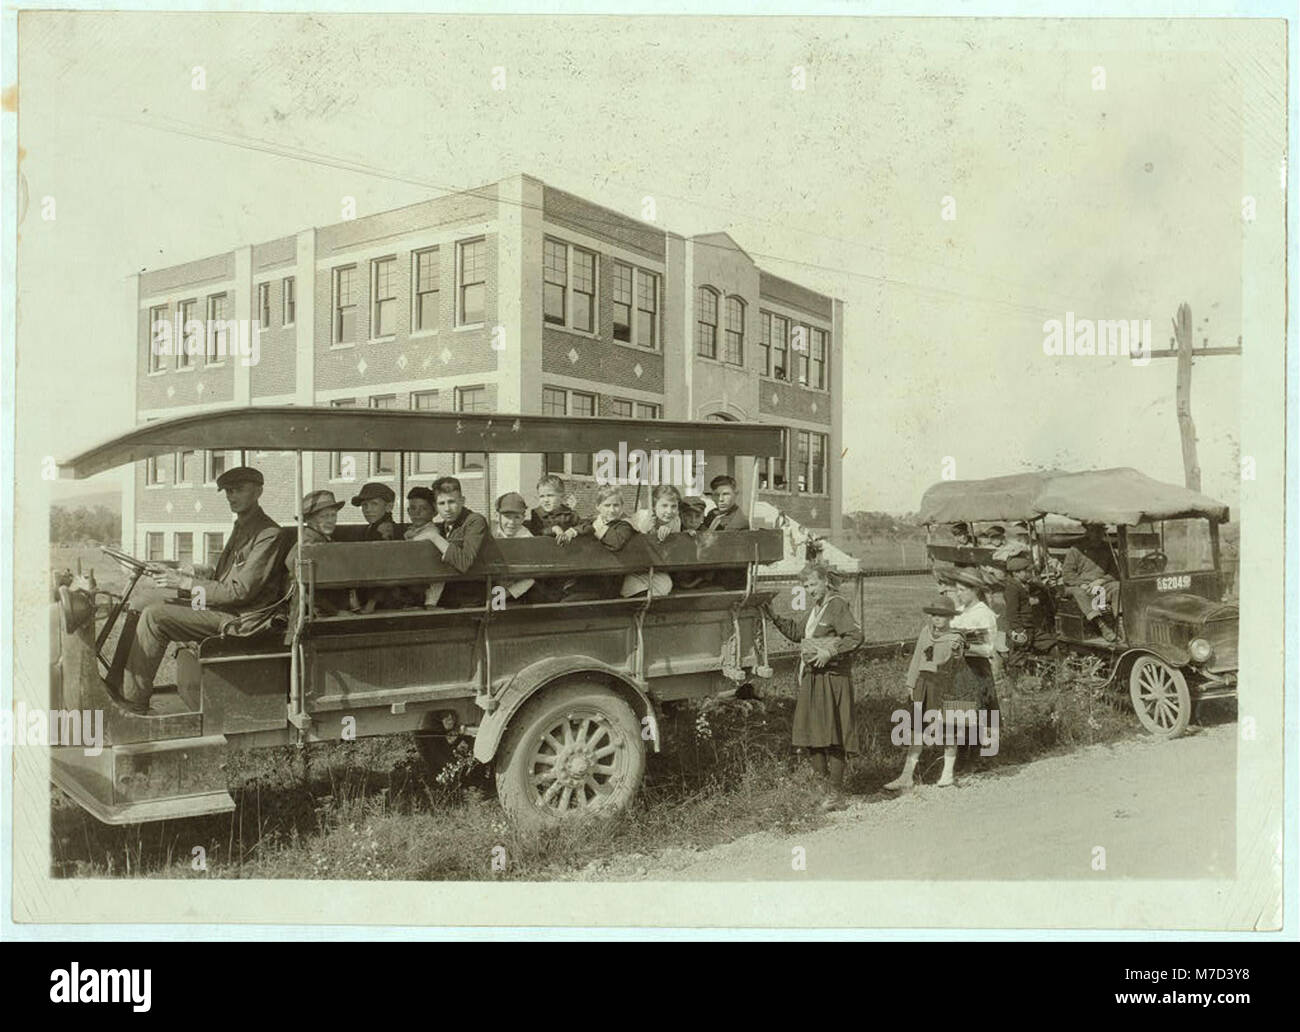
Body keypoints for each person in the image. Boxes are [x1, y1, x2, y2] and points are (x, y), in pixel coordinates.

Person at [121, 466, 282, 712]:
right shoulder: (243, 526)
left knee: (155, 617)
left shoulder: (268, 534)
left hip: (242, 620)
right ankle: (119, 685)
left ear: (258, 491)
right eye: (228, 491)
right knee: (143, 600)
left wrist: (185, 584)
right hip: (222, 606)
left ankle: (134, 706)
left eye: (239, 490)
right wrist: (183, 571)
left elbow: (239, 592)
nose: (231, 496)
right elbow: (221, 576)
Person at [762, 560, 863, 810]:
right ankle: (822, 790)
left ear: (825, 581)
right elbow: (799, 632)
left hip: (832, 678)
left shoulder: (836, 605)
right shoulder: (817, 608)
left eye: (812, 584)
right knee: (812, 734)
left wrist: (830, 652)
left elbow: (855, 636)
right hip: (813, 678)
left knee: (834, 734)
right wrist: (773, 616)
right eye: (806, 586)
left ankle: (836, 793)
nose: (809, 590)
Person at [885, 594, 967, 791]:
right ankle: (907, 776)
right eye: (933, 615)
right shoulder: (925, 632)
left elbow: (959, 662)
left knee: (947, 728)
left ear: (950, 618)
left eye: (941, 615)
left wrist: (957, 651)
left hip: (945, 686)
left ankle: (947, 773)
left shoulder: (956, 638)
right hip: (923, 684)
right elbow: (916, 659)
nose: (936, 619)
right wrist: (911, 683)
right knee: (917, 730)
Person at [946, 567, 1001, 785]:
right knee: (960, 710)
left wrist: (964, 646)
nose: (958, 594)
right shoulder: (960, 611)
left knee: (979, 711)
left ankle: (977, 757)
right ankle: (960, 755)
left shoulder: (983, 614)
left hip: (976, 667)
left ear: (974, 590)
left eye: (962, 590)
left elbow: (987, 648)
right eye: (957, 590)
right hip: (959, 668)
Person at [426, 476, 489, 608]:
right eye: (441, 503)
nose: (447, 508)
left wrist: (434, 537)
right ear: (435, 506)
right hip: (451, 596)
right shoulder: (443, 527)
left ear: (462, 501)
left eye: (452, 502)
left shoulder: (475, 521)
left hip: (477, 598)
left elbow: (464, 562)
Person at [285, 489, 347, 622]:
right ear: (310, 519)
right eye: (324, 516)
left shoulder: (323, 539)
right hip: (313, 614)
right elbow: (303, 583)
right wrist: (335, 612)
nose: (330, 520)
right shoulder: (309, 542)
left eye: (333, 515)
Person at [573, 485, 640, 597]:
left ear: (622, 507)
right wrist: (573, 531)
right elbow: (583, 526)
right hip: (593, 573)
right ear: (598, 507)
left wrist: (597, 527)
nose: (612, 510)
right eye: (607, 505)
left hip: (612, 576)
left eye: (616, 505)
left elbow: (615, 543)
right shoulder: (594, 520)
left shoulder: (625, 525)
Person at [1060, 522, 1120, 642]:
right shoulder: (1076, 550)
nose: (1097, 534)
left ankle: (1118, 621)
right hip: (1078, 586)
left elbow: (1115, 572)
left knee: (1117, 586)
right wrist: (1082, 584)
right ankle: (1101, 625)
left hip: (1100, 585)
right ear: (1087, 532)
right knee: (1080, 592)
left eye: (1100, 531)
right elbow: (1067, 574)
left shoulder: (1108, 549)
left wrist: (1100, 581)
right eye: (1093, 531)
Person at [625, 483, 679, 597]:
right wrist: (643, 530)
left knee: (665, 584)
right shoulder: (644, 516)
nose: (669, 511)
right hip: (632, 565)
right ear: (654, 506)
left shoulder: (675, 521)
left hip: (656, 565)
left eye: (673, 506)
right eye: (664, 506)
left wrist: (667, 534)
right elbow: (629, 544)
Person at [1003, 554, 1056, 657]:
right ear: (1016, 573)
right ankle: (1015, 672)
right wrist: (1019, 631)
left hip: (1031, 628)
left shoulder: (1025, 585)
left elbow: (1043, 593)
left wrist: (1040, 592)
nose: (1029, 574)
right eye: (1026, 572)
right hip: (1021, 629)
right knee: (1018, 658)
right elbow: (1011, 613)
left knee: (1052, 644)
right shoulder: (1012, 588)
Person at [401, 485, 445, 608]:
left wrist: (431, 602)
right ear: (408, 511)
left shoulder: (431, 534)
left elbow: (437, 571)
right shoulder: (411, 531)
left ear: (434, 511)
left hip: (424, 589)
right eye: (413, 508)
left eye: (424, 508)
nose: (417, 513)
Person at [491, 491, 536, 603]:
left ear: (523, 518)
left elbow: (531, 574)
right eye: (507, 516)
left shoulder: (527, 537)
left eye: (517, 517)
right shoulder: (491, 533)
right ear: (497, 516)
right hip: (493, 580)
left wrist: (508, 593)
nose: (512, 522)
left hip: (517, 585)